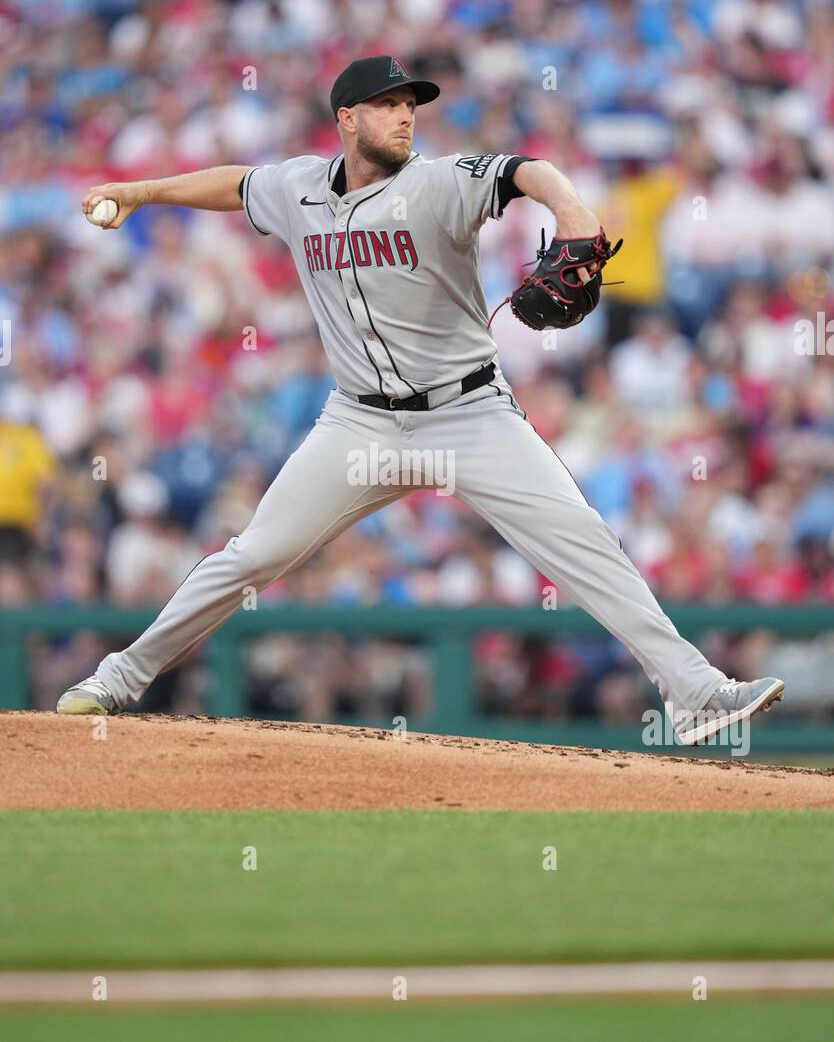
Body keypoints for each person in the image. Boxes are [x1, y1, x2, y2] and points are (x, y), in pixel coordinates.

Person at [58, 55, 784, 747]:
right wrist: (140, 191)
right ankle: (118, 677)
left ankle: (692, 693)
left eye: (411, 105)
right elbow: (237, 184)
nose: (406, 117)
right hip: (359, 422)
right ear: (347, 118)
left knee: (581, 540)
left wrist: (572, 214)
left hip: (469, 414)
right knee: (251, 556)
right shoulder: (299, 187)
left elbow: (524, 170)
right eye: (389, 105)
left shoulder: (438, 183)